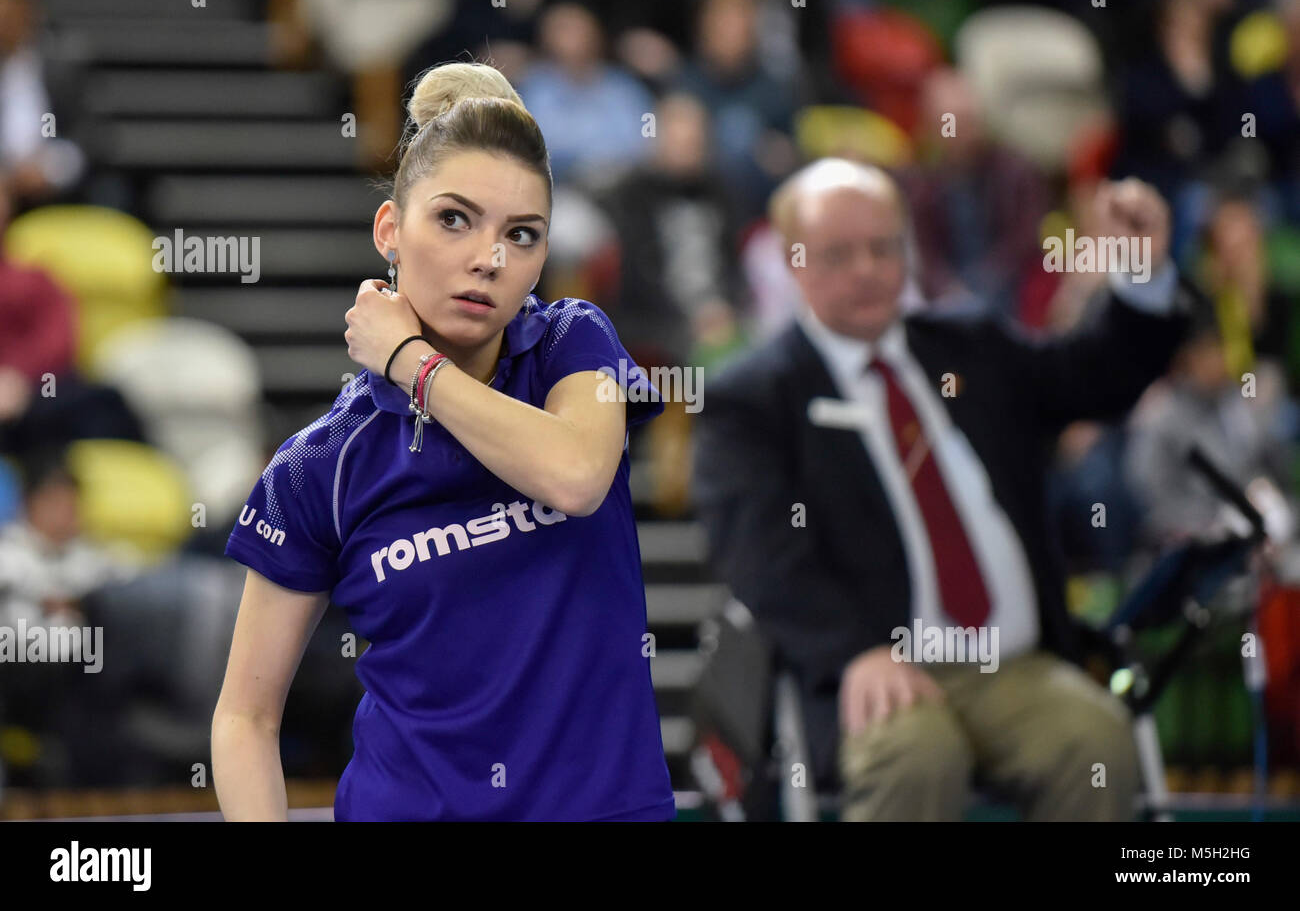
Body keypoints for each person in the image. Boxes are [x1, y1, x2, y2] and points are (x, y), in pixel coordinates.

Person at [212, 61, 676, 822]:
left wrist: (409, 361)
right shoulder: (321, 466)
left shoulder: (571, 345)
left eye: (520, 235)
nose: (488, 258)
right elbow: (244, 719)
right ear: (390, 230)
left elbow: (576, 476)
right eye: (455, 219)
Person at [692, 158, 1189, 820]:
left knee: (1095, 737)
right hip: (873, 669)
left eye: (884, 247)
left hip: (1015, 663)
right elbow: (758, 553)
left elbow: (1093, 377)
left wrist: (1141, 274)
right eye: (840, 253)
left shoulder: (969, 344)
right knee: (918, 756)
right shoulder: (754, 396)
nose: (868, 268)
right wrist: (855, 653)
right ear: (794, 260)